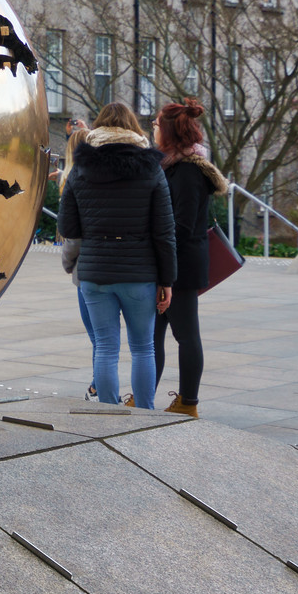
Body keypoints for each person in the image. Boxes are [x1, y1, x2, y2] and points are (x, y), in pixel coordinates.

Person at [57, 102, 175, 409]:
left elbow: (67, 225)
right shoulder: (151, 167)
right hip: (140, 274)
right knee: (143, 348)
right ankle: (144, 413)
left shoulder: (81, 168)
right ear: (133, 129)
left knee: (106, 348)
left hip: (95, 272)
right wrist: (168, 279)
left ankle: (107, 412)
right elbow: (164, 232)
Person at [152, 100, 227, 417]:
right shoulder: (174, 166)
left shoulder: (186, 172)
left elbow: (179, 227)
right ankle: (144, 397)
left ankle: (188, 402)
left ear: (167, 131)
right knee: (152, 335)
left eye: (155, 125)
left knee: (185, 335)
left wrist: (164, 273)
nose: (152, 130)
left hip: (179, 266)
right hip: (172, 263)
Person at [58, 121, 97, 397]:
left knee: (100, 338)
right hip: (132, 269)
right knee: (144, 344)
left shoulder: (76, 179)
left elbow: (73, 234)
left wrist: (68, 262)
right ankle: (144, 406)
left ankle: (101, 389)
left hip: (89, 268)